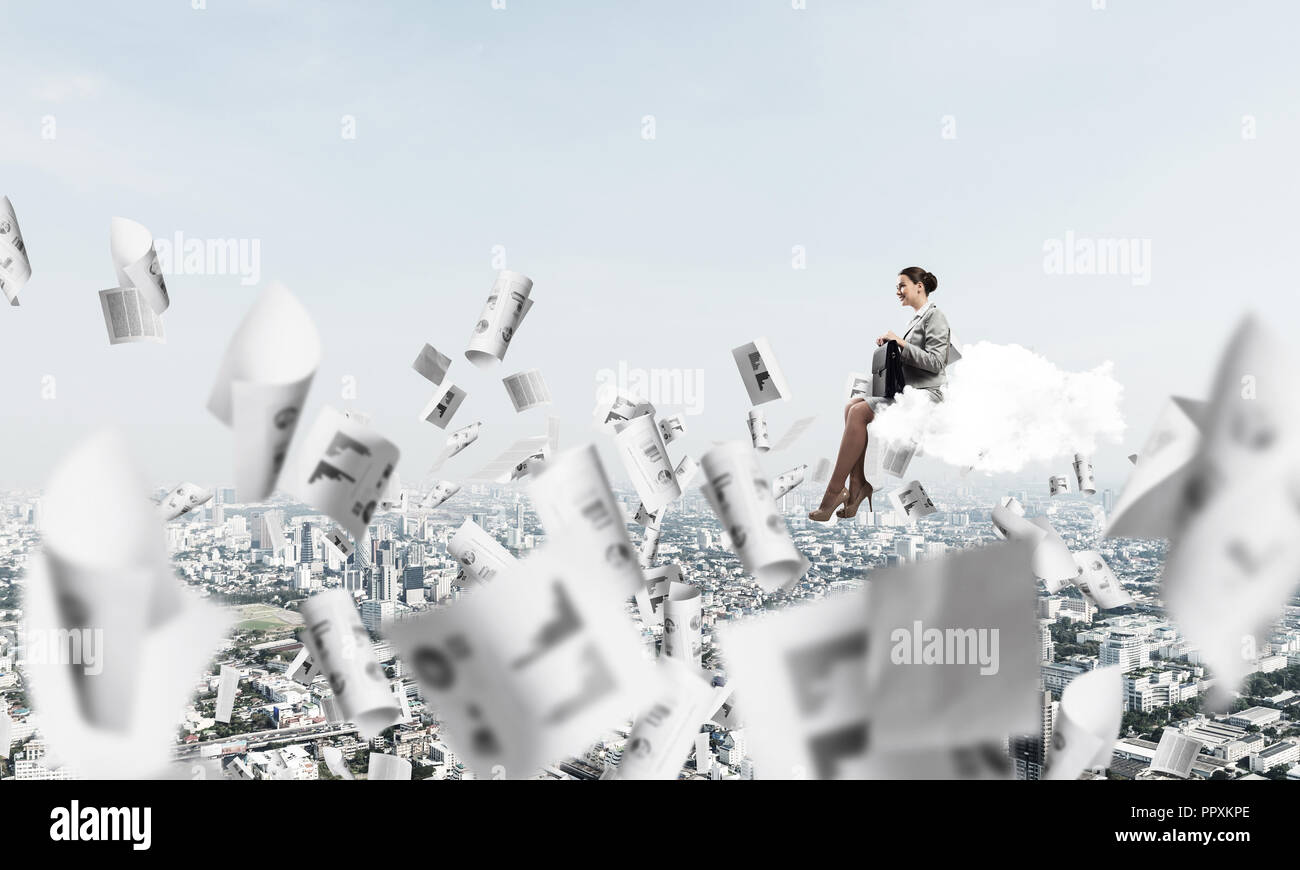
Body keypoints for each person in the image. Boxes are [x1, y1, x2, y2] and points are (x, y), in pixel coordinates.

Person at [809, 267, 951, 521]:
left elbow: (937, 363)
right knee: (852, 405)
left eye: (902, 285)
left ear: (920, 286)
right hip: (911, 392)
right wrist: (892, 348)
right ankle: (857, 487)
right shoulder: (917, 319)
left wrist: (901, 344)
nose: (898, 291)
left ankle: (835, 491)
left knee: (859, 413)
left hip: (927, 396)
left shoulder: (935, 317)